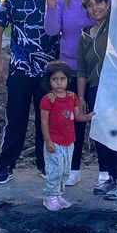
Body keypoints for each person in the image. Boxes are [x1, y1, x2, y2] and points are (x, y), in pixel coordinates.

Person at [0, 0, 56, 183]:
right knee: (15, 119)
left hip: (50, 75)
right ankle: (6, 166)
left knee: (46, 120)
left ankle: (45, 163)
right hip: (19, 71)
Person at [44, 0, 100, 188]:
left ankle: (105, 173)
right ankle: (73, 169)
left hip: (96, 69)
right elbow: (51, 30)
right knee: (72, 122)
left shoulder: (100, 0)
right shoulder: (62, 1)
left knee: (97, 120)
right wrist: (50, 3)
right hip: (70, 70)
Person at [76, 0, 117, 201]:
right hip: (94, 91)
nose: (95, 8)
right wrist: (81, 97)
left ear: (108, 4)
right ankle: (111, 177)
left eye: (99, 3)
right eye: (90, 5)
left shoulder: (116, 26)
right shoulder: (84, 35)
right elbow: (82, 70)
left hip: (116, 89)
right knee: (101, 137)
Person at [39, 60, 93, 211]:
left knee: (65, 171)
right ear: (49, 81)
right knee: (54, 170)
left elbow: (77, 116)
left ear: (68, 80)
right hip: (54, 142)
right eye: (54, 79)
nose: (58, 83)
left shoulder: (72, 96)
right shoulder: (48, 99)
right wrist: (48, 140)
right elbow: (43, 122)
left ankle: (58, 195)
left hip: (69, 142)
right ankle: (50, 196)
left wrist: (88, 116)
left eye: (62, 79)